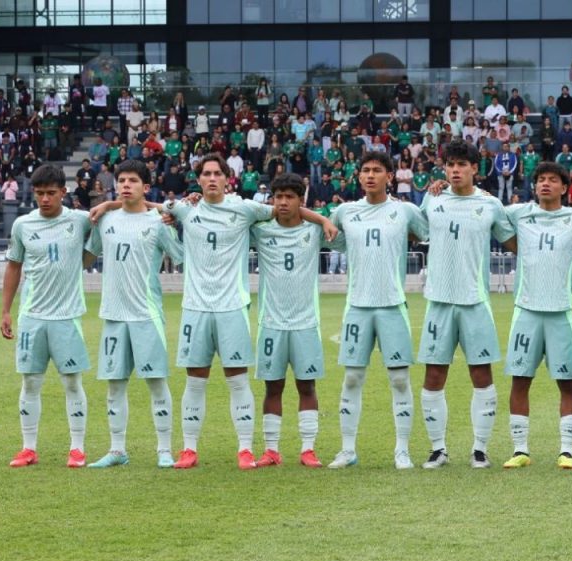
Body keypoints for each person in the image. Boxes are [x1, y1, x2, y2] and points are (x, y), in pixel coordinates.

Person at [141, 153, 335, 470]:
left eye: (218, 173)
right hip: (195, 308)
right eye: (206, 174)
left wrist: (324, 220)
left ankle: (245, 450)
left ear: (228, 178)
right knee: (195, 382)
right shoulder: (186, 210)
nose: (212, 178)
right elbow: (149, 205)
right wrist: (108, 206)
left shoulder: (244, 210)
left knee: (238, 381)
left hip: (232, 307)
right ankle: (189, 449)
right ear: (199, 179)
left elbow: (287, 209)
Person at [415, 142, 516, 469]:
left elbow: (513, 240)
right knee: (433, 374)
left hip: (475, 302)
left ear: (475, 168)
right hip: (439, 302)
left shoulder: (490, 204)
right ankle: (438, 448)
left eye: (462, 164)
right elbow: (415, 230)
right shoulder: (433, 198)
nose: (455, 170)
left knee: (481, 373)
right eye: (450, 164)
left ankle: (480, 449)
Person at [327, 151, 429, 470]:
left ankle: (402, 450)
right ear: (358, 177)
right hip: (357, 307)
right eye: (365, 170)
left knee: (399, 380)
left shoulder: (405, 211)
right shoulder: (344, 211)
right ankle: (347, 449)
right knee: (353, 377)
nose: (371, 175)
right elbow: (329, 236)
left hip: (392, 306)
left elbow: (429, 229)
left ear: (390, 176)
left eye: (377, 170)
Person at [83, 159, 183, 469]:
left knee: (156, 382)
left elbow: (181, 258)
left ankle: (164, 450)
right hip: (113, 314)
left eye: (133, 181)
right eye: (122, 180)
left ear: (146, 187)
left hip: (146, 314)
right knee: (115, 385)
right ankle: (117, 450)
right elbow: (88, 258)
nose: (126, 185)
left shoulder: (158, 222)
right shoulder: (106, 220)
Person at [1, 164, 92, 468]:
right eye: (40, 193)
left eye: (51, 193)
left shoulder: (79, 221)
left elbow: (117, 213)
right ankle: (29, 448)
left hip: (67, 317)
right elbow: (13, 266)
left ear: (63, 193)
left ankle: (77, 448)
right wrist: (5, 311)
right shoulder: (23, 225)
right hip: (32, 317)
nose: (45, 199)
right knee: (30, 382)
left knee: (71, 382)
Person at [250, 173, 342, 469]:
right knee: (272, 388)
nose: (284, 202)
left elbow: (329, 227)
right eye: (279, 197)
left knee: (307, 387)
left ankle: (307, 449)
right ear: (272, 200)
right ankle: (272, 450)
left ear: (300, 200)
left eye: (290, 197)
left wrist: (323, 220)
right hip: (271, 323)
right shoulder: (260, 231)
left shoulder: (313, 231)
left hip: (306, 324)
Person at [501, 162, 572, 470]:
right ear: (534, 186)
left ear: (565, 187)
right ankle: (520, 449)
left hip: (561, 312)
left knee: (567, 381)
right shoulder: (518, 213)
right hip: (526, 311)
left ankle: (566, 450)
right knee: (520, 379)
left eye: (553, 180)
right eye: (541, 180)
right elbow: (487, 209)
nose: (546, 184)